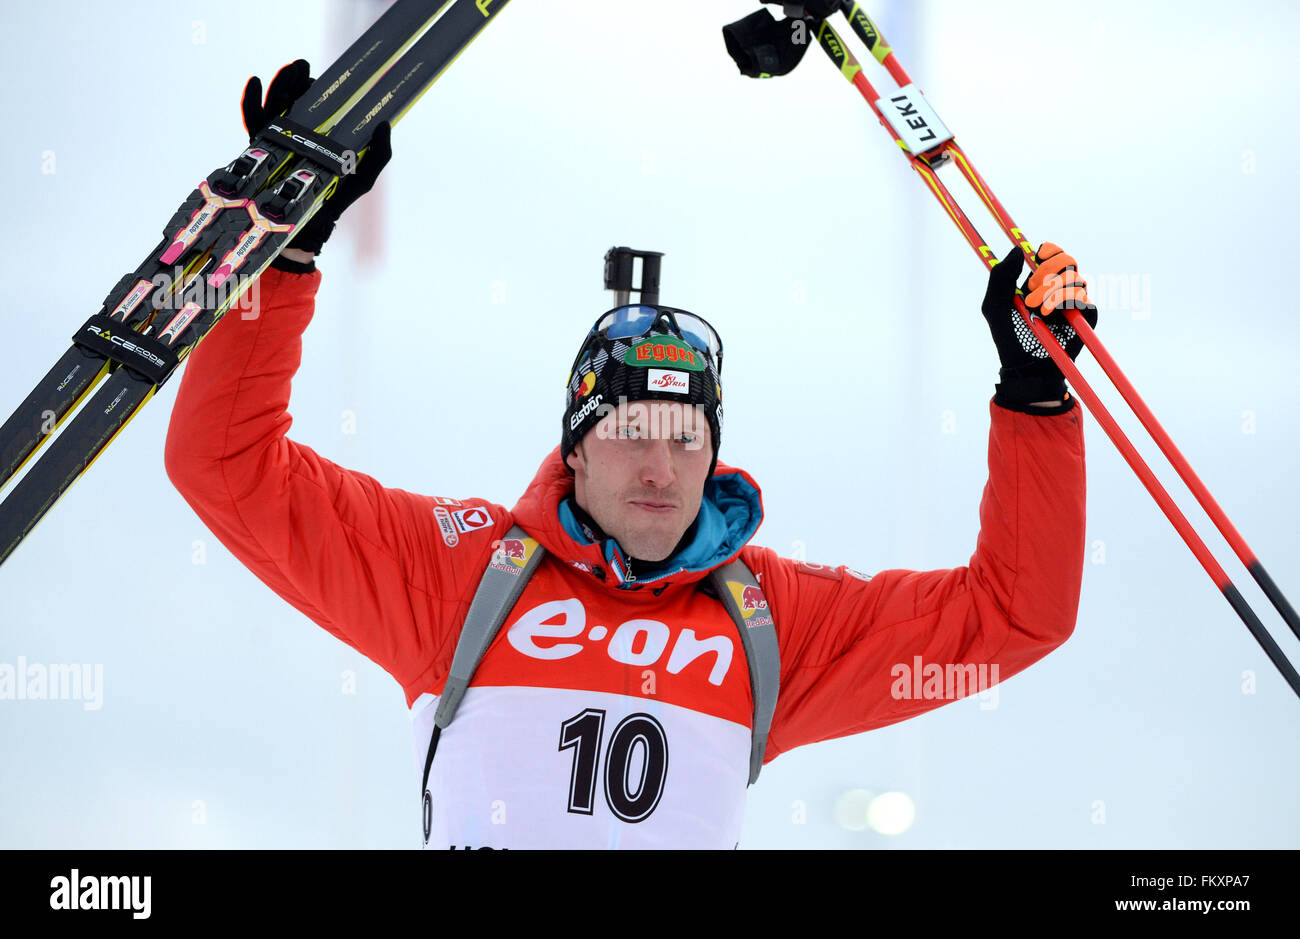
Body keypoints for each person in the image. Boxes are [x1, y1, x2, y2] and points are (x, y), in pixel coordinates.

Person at [164, 64, 1095, 849]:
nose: (662, 467)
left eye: (688, 438)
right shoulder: (459, 573)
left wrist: (1035, 397)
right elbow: (224, 463)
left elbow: (1016, 615)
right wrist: (281, 259)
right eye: (630, 433)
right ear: (574, 448)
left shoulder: (773, 620)